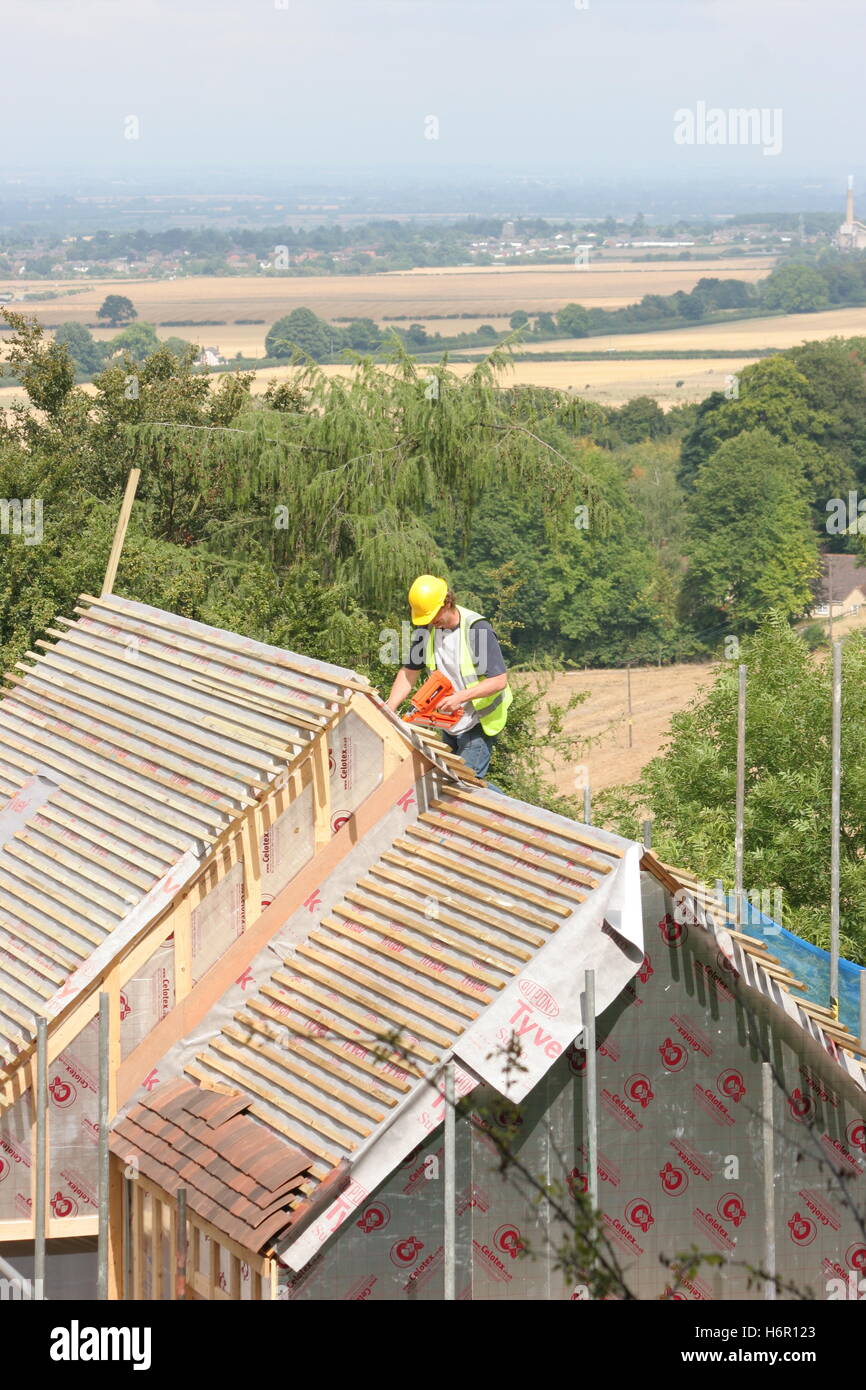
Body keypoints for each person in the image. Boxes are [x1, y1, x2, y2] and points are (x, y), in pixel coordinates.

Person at [386, 574, 512, 781]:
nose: (431, 621)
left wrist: (459, 698)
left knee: (464, 785)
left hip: (478, 722)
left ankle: (512, 812)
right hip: (450, 722)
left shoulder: (476, 629)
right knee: (446, 782)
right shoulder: (427, 629)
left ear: (447, 602)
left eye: (433, 615)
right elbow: (409, 672)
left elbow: (498, 680)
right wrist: (389, 708)